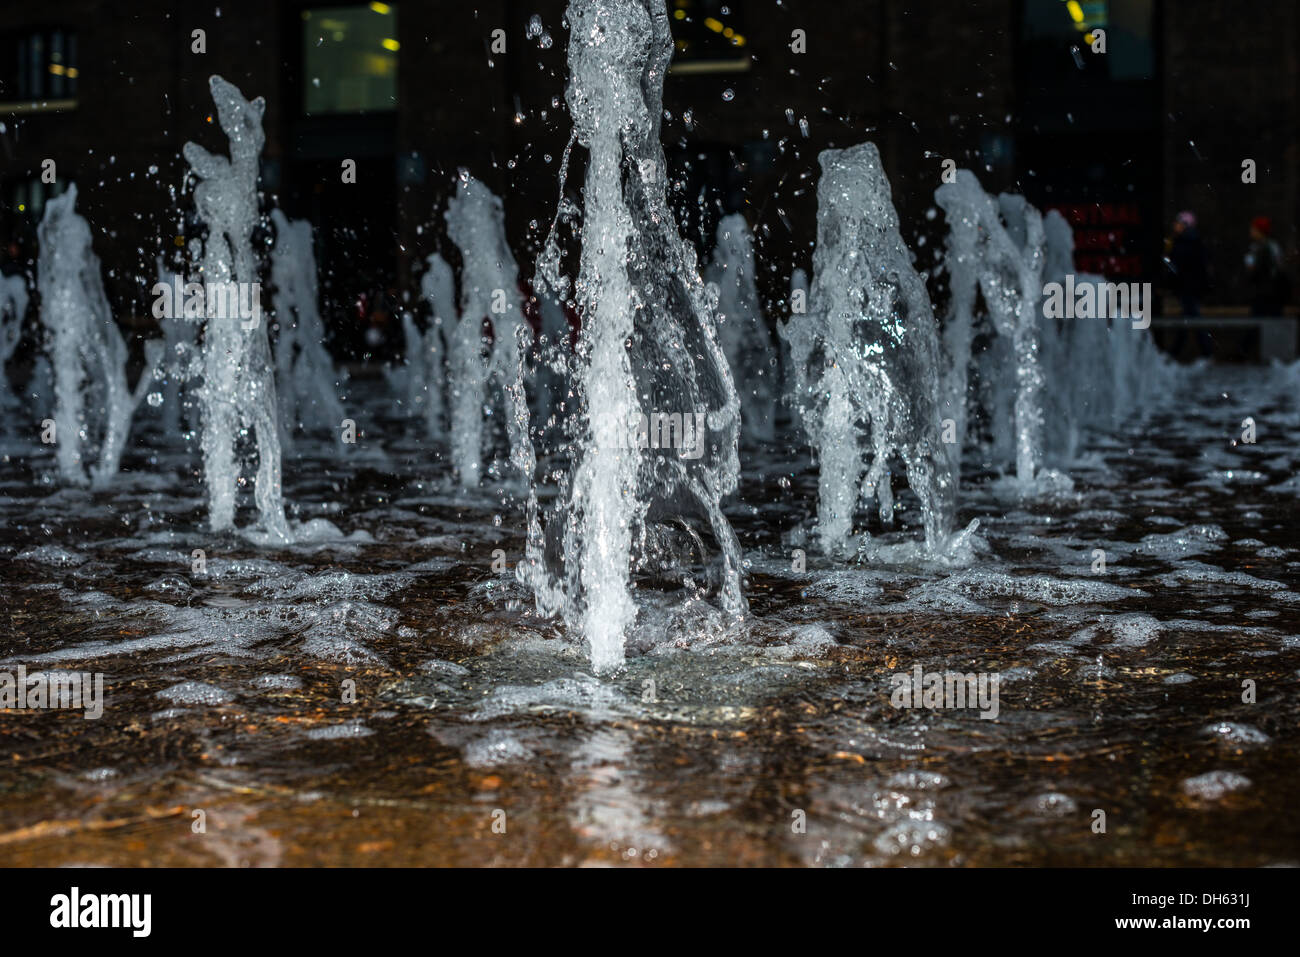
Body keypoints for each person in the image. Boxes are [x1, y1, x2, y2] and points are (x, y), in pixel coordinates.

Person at [1166, 210, 1209, 317]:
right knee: (1189, 312)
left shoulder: (1184, 243)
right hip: (1190, 285)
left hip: (1187, 285)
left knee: (1190, 313)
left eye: (1178, 223)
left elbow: (1178, 265)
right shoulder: (1191, 241)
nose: (1175, 225)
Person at [1244, 215, 1289, 316]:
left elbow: (1256, 272)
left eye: (1254, 229)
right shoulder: (1273, 246)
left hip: (1265, 296)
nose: (1251, 231)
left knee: (1261, 323)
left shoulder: (1263, 248)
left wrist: (1251, 269)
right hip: (1272, 295)